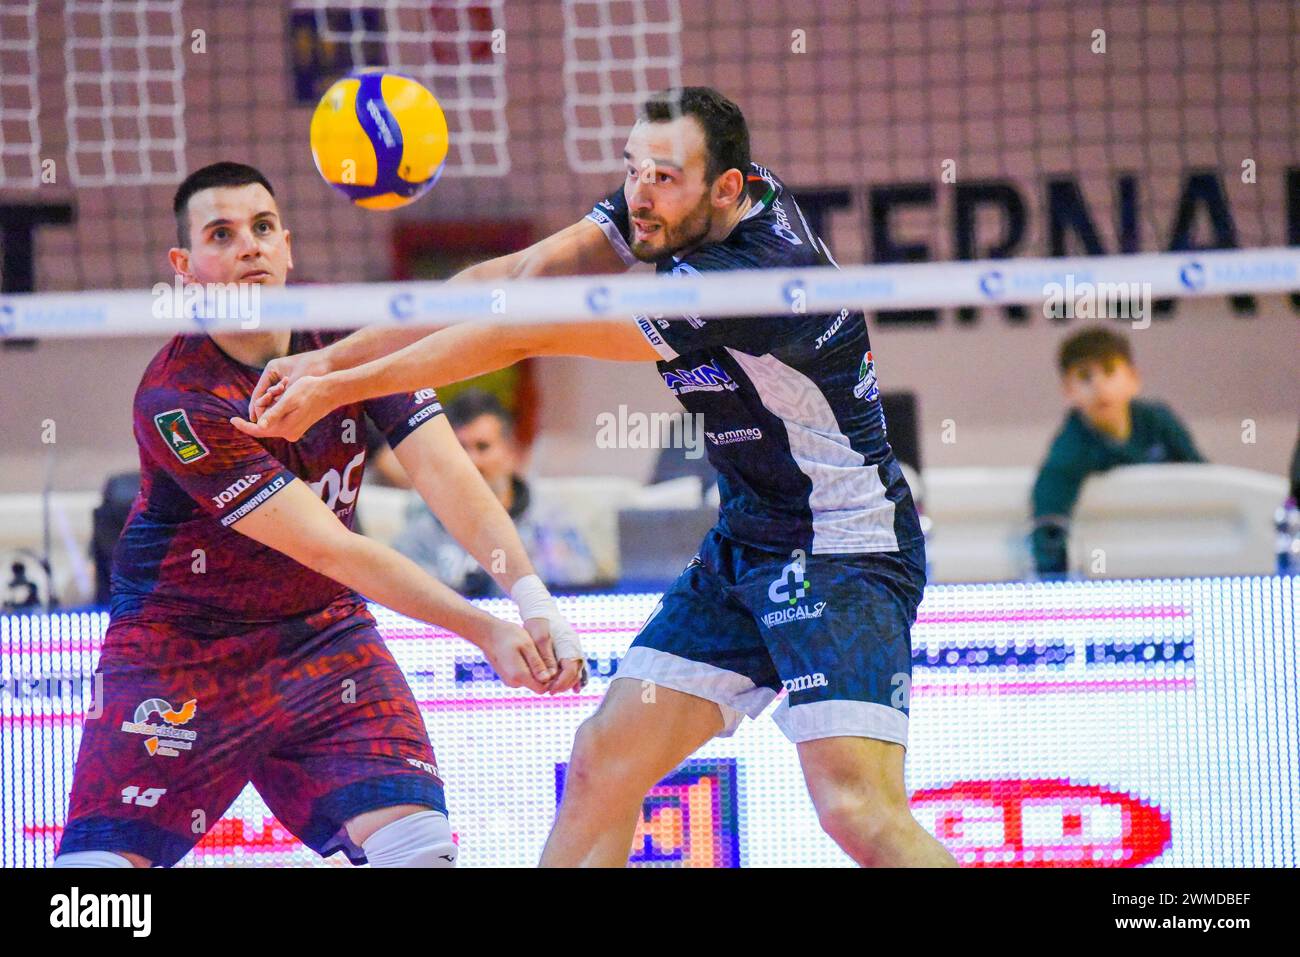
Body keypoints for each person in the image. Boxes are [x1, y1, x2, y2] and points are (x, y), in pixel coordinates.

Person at [236, 88, 956, 867]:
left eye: (664, 178)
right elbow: (516, 275)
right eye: (633, 170)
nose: (640, 194)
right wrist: (328, 356)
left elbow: (525, 327)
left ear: (728, 189)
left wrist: (338, 388)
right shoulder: (673, 205)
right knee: (602, 763)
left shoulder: (749, 277)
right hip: (749, 539)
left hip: (844, 547)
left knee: (856, 811)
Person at [53, 162, 584, 870]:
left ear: (289, 247)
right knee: (92, 890)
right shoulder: (178, 399)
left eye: (264, 228)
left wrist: (530, 594)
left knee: (420, 851)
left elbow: (445, 471)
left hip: (321, 637)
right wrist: (484, 627)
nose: (250, 246)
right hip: (182, 653)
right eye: (223, 233)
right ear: (185, 266)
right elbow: (333, 549)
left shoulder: (344, 337)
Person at [1030, 326, 1205, 576]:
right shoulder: (1070, 446)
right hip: (1116, 567)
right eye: (1085, 377)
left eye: (1109, 371)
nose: (1099, 386)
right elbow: (1049, 516)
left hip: (1176, 555)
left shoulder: (1158, 421)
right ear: (1068, 391)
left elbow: (1203, 480)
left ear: (1134, 379)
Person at [393, 389, 601, 596]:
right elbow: (403, 595)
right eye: (460, 449)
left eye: (482, 447)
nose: (472, 462)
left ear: (511, 452)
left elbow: (583, 582)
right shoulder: (423, 523)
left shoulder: (549, 518)